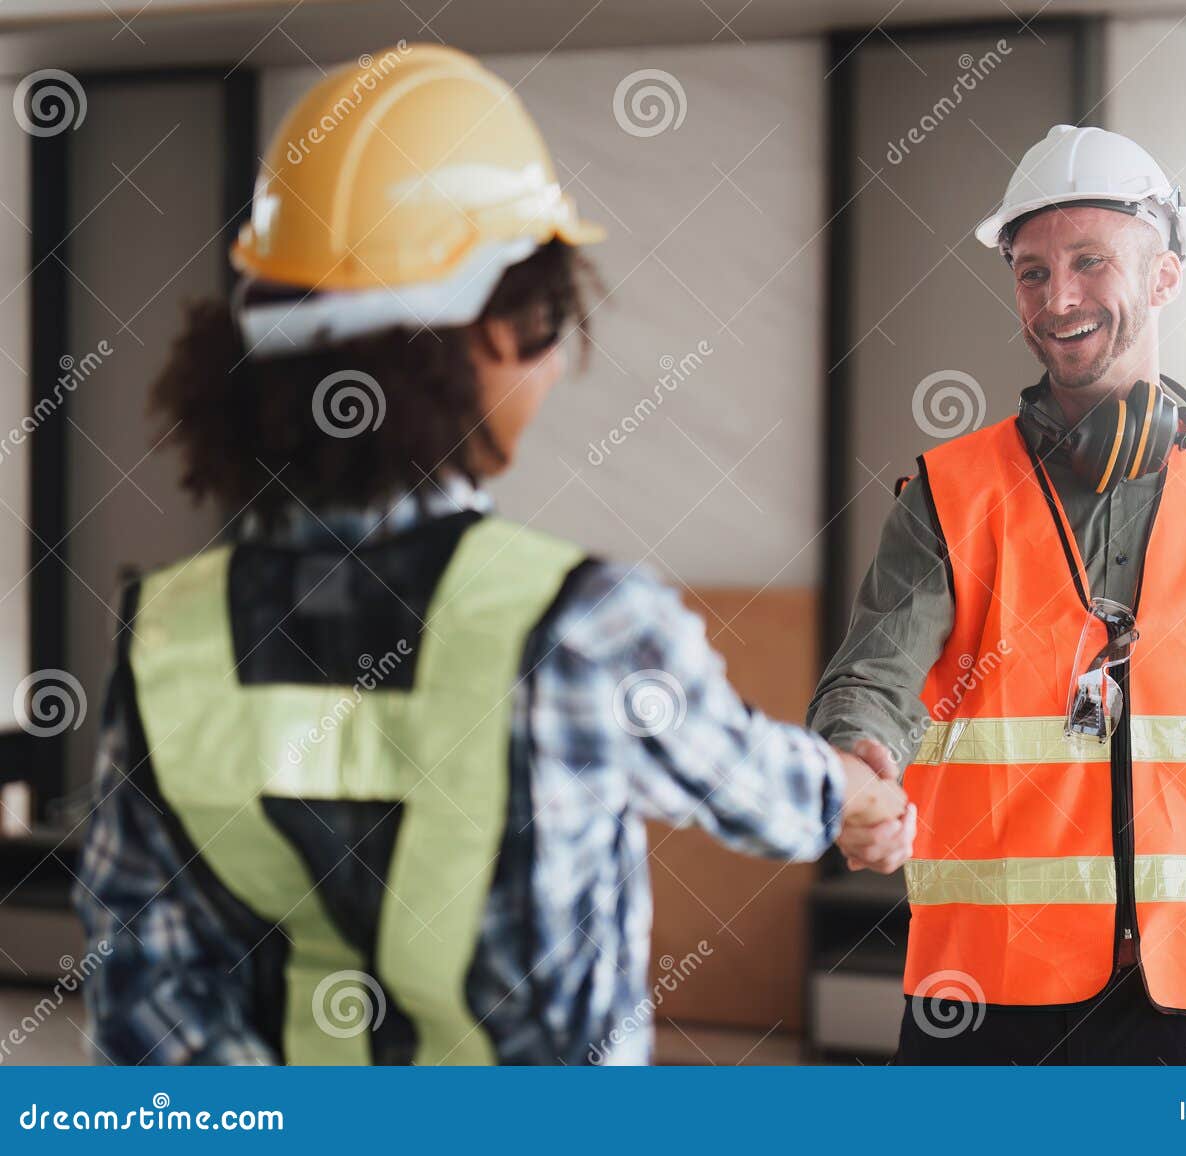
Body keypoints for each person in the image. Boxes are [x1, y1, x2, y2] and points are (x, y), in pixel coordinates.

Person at [72, 43, 908, 1066]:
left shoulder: (166, 635)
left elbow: (144, 981)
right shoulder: (584, 624)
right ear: (486, 334)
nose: (556, 359)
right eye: (547, 318)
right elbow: (750, 785)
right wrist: (858, 795)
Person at [810, 125, 1186, 1065]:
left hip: (1177, 999)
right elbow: (872, 677)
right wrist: (857, 769)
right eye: (1033, 271)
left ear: (1164, 277)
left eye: (1090, 263)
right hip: (977, 1002)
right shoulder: (950, 492)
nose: (1059, 297)